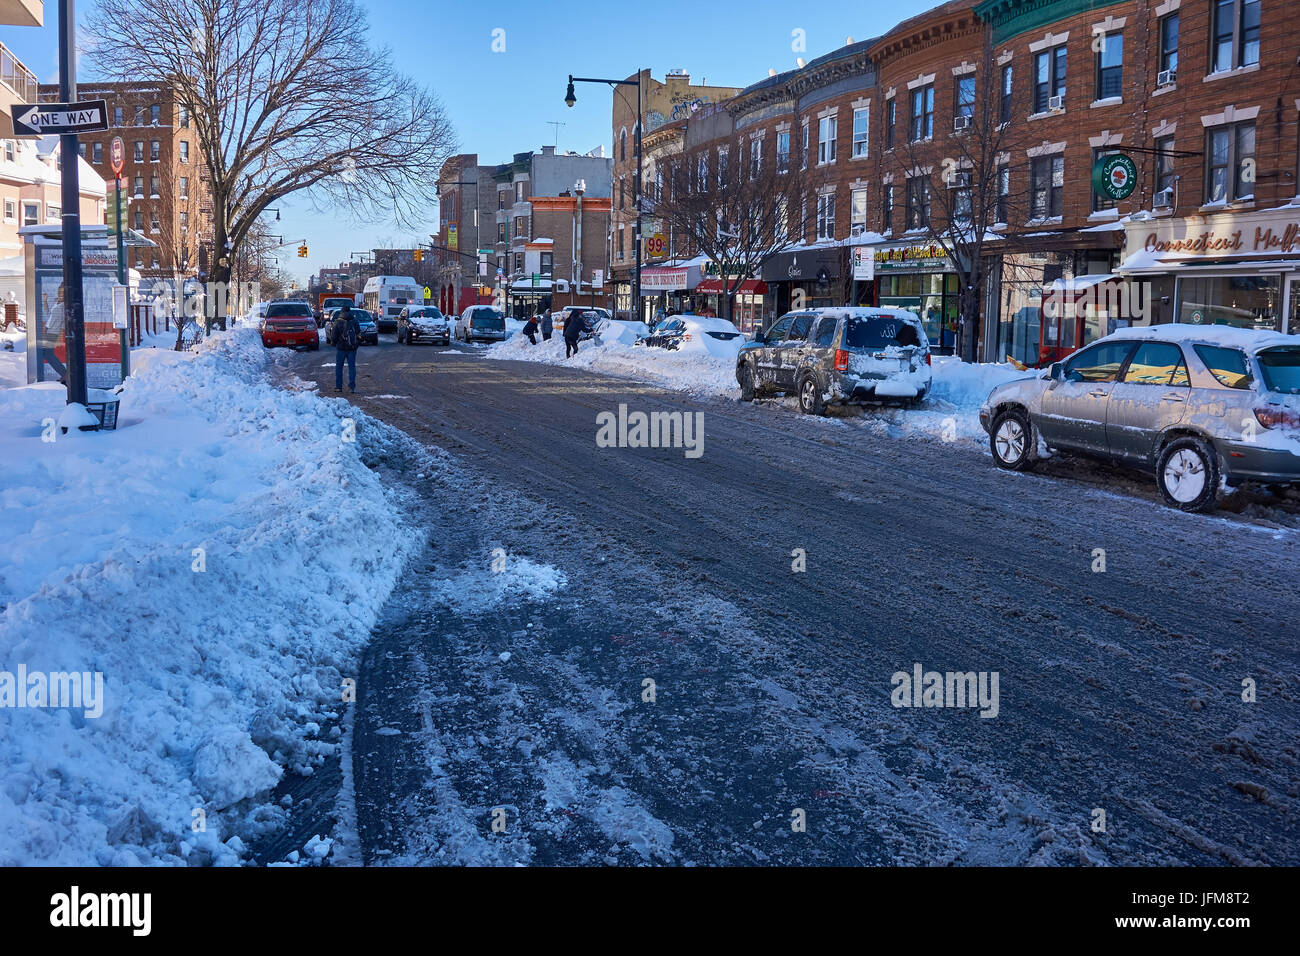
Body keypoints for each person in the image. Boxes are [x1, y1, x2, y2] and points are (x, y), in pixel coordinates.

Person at [328, 305, 362, 393]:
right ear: (349, 311)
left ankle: (339, 387)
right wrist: (356, 343)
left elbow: (334, 336)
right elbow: (358, 333)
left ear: (342, 312)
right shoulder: (354, 321)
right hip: (352, 348)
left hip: (341, 348)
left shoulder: (338, 321)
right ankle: (352, 387)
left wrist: (333, 343)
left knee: (339, 367)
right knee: (352, 367)